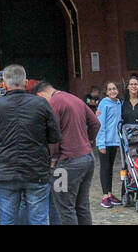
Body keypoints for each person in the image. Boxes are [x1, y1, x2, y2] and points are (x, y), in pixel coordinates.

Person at [0, 64, 59, 225]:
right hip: (36, 169)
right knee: (39, 219)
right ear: (26, 82)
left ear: (4, 84)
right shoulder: (41, 104)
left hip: (6, 169)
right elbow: (54, 136)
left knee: (7, 219)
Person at [35, 81, 99, 225]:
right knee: (82, 206)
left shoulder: (54, 103)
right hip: (88, 158)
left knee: (64, 207)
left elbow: (53, 135)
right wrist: (87, 140)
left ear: (41, 95)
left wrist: (53, 158)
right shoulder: (74, 98)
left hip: (65, 164)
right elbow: (95, 123)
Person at [95, 80, 124, 207]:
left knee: (110, 168)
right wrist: (101, 143)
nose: (112, 91)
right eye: (110, 89)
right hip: (104, 141)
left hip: (114, 141)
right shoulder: (103, 103)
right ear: (106, 92)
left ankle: (110, 193)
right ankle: (104, 196)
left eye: (114, 89)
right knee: (104, 167)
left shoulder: (119, 103)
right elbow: (100, 124)